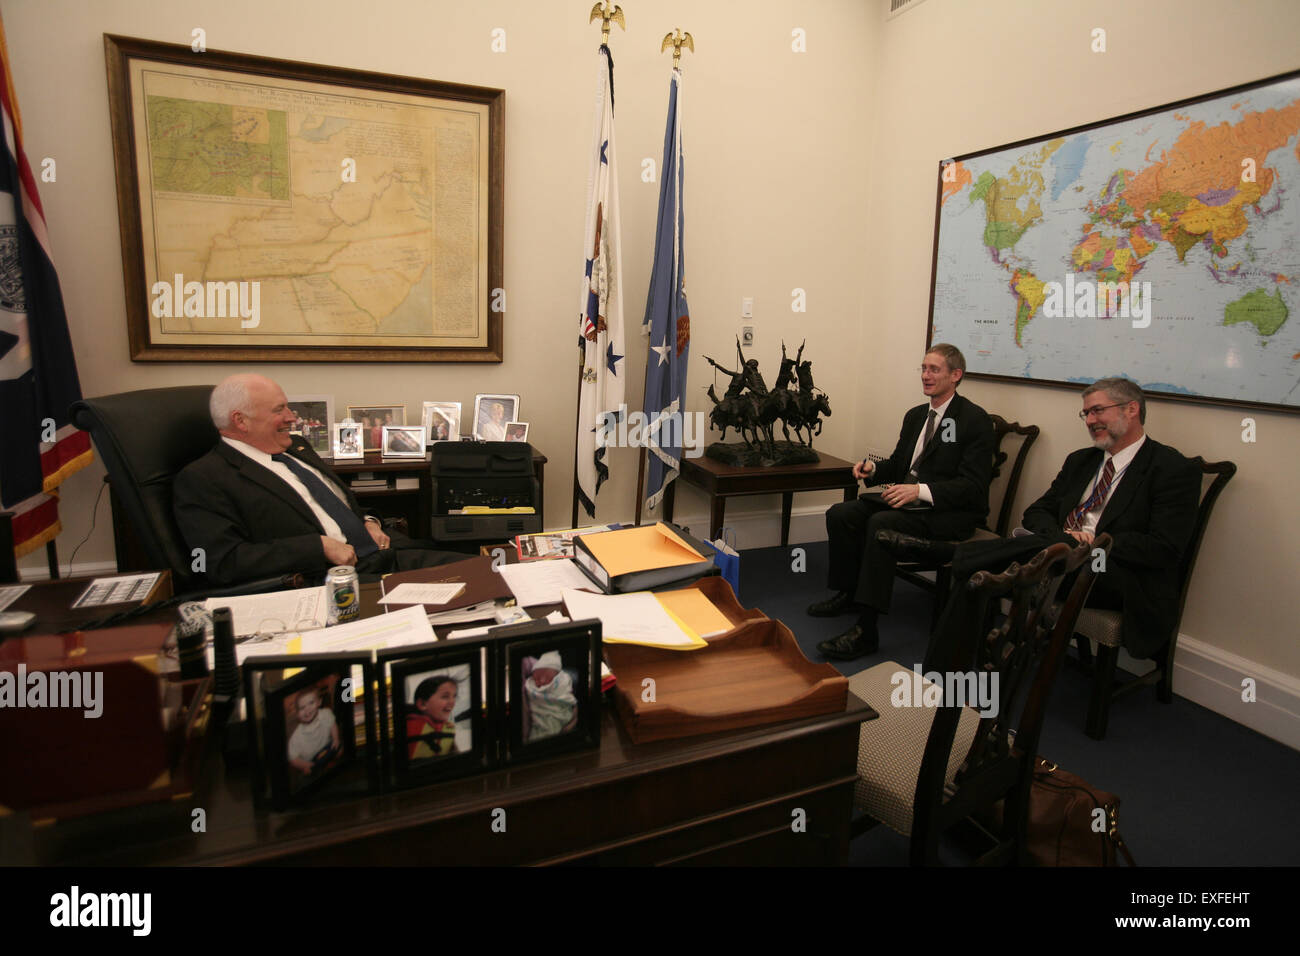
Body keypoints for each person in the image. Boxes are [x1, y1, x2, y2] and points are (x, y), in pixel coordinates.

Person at [889, 377, 1200, 660]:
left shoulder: (1171, 469)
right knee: (981, 573)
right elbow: (1037, 512)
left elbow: (1164, 547)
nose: (1090, 421)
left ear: (1132, 409)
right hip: (1056, 557)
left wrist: (1092, 542)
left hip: (1113, 571)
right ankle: (959, 667)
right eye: (1086, 414)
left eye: (1097, 411)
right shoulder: (1081, 461)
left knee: (983, 564)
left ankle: (954, 571)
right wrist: (1062, 539)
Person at [174, 373, 461, 587]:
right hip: (334, 579)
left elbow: (336, 505)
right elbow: (222, 562)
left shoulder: (297, 448)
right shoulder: (204, 479)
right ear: (240, 420)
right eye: (279, 410)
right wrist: (318, 546)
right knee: (472, 590)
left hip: (385, 553)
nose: (292, 417)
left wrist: (369, 522)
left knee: (487, 571)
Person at [808, 344, 994, 661]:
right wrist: (874, 470)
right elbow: (898, 464)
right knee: (841, 514)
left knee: (881, 524)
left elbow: (973, 487)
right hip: (908, 504)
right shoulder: (916, 416)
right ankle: (849, 593)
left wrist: (919, 491)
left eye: (934, 369)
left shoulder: (975, 421)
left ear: (956, 375)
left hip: (949, 514)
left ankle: (866, 631)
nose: (925, 375)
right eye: (923, 368)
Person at [523, 651, 578, 743]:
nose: (541, 681)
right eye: (536, 678)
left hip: (556, 712)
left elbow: (567, 697)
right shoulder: (530, 684)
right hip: (538, 715)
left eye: (546, 676)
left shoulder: (560, 681)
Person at [287, 687, 340, 777]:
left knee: (340, 750)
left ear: (319, 702)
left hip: (328, 748)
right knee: (308, 774)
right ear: (297, 714)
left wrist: (336, 739)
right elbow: (293, 758)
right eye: (302, 708)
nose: (307, 710)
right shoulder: (296, 737)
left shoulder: (326, 714)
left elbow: (332, 724)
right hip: (311, 761)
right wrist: (305, 765)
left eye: (311, 703)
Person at [406, 674, 459, 760]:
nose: (452, 702)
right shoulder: (409, 727)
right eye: (445, 697)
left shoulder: (448, 728)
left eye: (454, 697)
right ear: (422, 704)